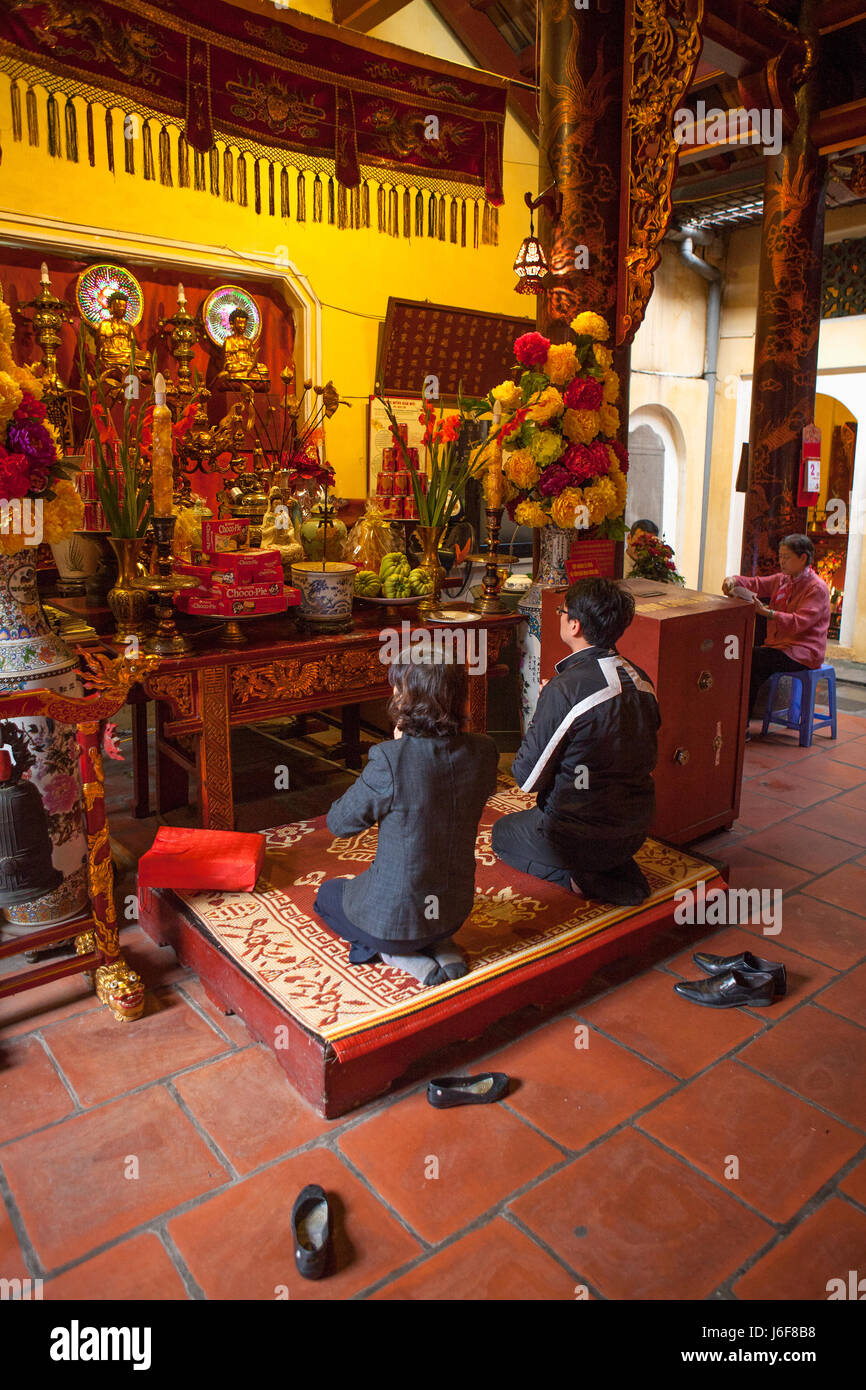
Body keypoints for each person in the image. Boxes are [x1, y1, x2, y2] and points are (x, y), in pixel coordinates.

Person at [314, 653, 498, 987]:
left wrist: (399, 751)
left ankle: (398, 954)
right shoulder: (484, 750)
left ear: (408, 701)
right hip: (454, 911)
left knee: (327, 895)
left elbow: (340, 823)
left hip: (394, 923)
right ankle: (440, 944)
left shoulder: (390, 759)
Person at [492, 578, 660, 905]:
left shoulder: (564, 688)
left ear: (574, 625)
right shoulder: (642, 680)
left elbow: (526, 778)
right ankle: (612, 865)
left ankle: (579, 878)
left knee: (503, 834)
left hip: (578, 835)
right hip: (636, 828)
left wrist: (546, 710)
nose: (559, 615)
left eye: (561, 610)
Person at [723, 533, 831, 723]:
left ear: (803, 558)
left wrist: (766, 612)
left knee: (752, 659)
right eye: (780, 556)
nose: (781, 561)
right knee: (743, 658)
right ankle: (739, 721)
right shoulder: (783, 580)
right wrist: (733, 581)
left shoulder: (816, 588)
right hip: (779, 646)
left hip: (802, 651)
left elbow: (800, 623)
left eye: (786, 557)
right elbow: (756, 583)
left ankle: (741, 724)